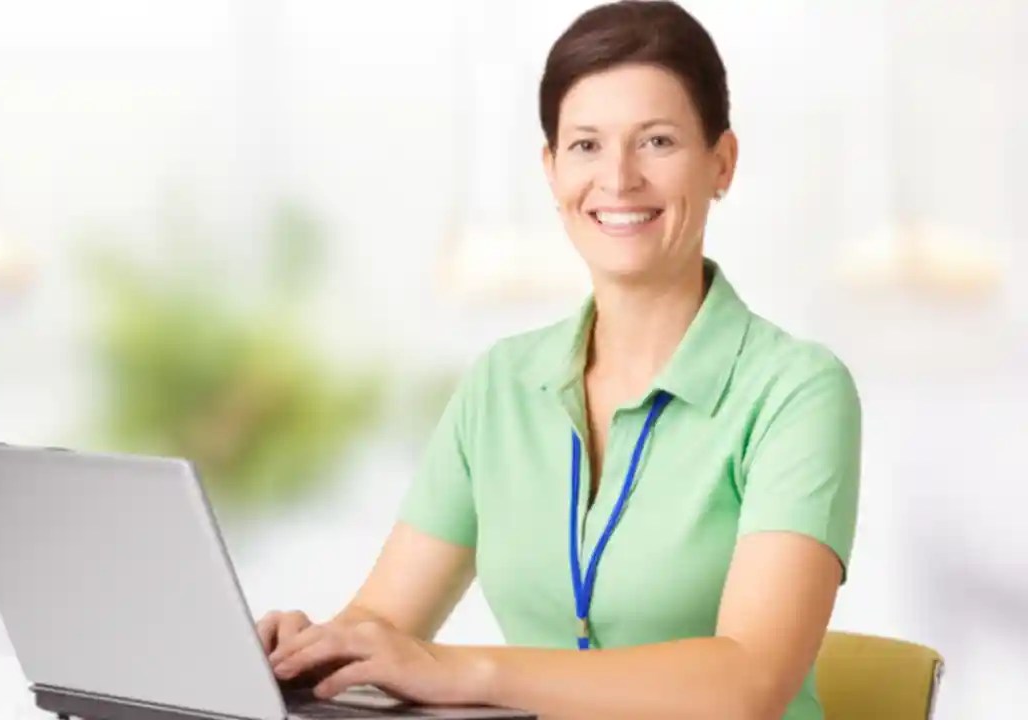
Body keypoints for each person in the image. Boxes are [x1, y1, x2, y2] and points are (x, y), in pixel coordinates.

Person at [257, 2, 861, 718]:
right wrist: (313, 648)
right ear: (550, 171)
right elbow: (385, 623)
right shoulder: (501, 384)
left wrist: (464, 672)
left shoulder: (796, 392)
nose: (619, 179)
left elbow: (748, 682)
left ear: (721, 163)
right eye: (585, 146)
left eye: (658, 141)